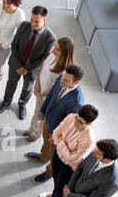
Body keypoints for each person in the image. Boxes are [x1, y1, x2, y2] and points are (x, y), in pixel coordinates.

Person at [27, 56, 83, 184]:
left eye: (66, 80)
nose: (61, 81)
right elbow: (51, 94)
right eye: (62, 77)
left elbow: (70, 125)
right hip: (48, 120)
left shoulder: (77, 102)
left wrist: (58, 137)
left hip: (58, 131)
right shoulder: (62, 78)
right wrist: (42, 110)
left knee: (55, 154)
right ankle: (43, 156)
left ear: (76, 83)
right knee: (46, 143)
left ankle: (49, 172)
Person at [0, 5, 55, 120]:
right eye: (31, 20)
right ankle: (6, 101)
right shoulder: (24, 26)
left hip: (32, 70)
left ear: (44, 20)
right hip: (16, 64)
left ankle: (22, 105)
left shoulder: (50, 38)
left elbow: (43, 59)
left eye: (36, 21)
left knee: (27, 88)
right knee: (11, 83)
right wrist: (18, 66)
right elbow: (14, 46)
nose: (32, 24)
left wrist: (26, 68)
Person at [39, 103, 99, 197]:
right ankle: (54, 194)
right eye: (77, 118)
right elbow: (55, 134)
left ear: (89, 123)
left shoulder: (89, 139)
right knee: (56, 178)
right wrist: (63, 145)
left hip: (69, 166)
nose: (75, 122)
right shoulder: (71, 117)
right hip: (57, 154)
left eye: (80, 122)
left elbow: (71, 159)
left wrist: (60, 142)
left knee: (62, 185)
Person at [25, 36, 75, 143]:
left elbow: (57, 87)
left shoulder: (66, 69)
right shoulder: (51, 55)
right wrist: (37, 83)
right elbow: (42, 68)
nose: (53, 50)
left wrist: (42, 94)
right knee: (36, 111)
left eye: (57, 49)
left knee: (44, 117)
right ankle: (31, 128)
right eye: (54, 46)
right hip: (40, 91)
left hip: (49, 97)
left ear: (65, 53)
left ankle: (37, 133)